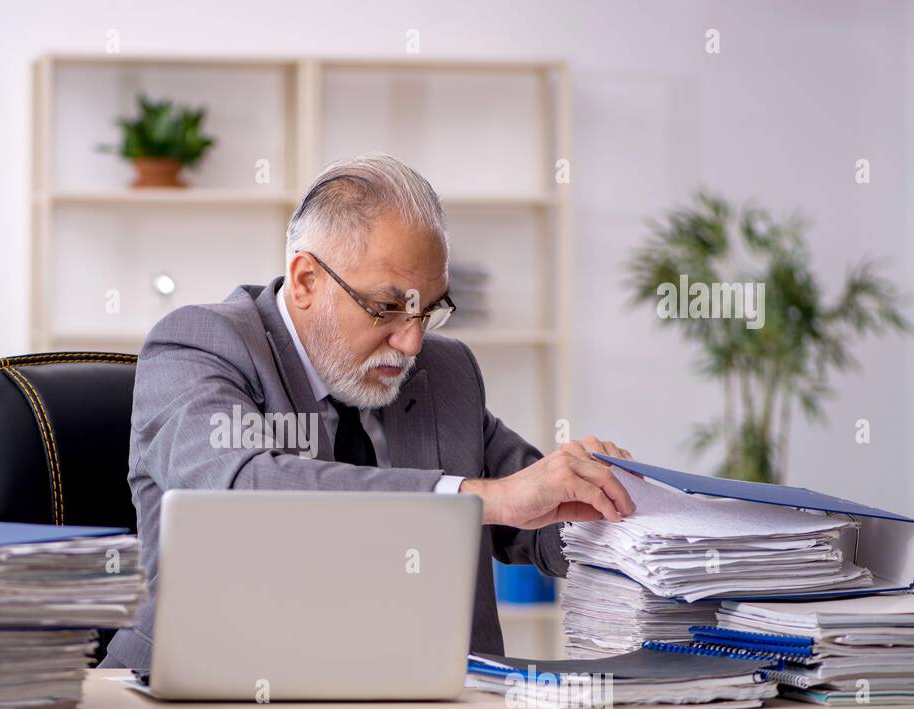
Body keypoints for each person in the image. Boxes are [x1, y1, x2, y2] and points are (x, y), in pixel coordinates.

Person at [101, 153, 634, 669]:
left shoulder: (444, 372)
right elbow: (233, 492)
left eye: (430, 309)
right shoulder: (202, 344)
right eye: (387, 308)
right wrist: (476, 497)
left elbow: (533, 517)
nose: (411, 343)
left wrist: (625, 522)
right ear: (307, 280)